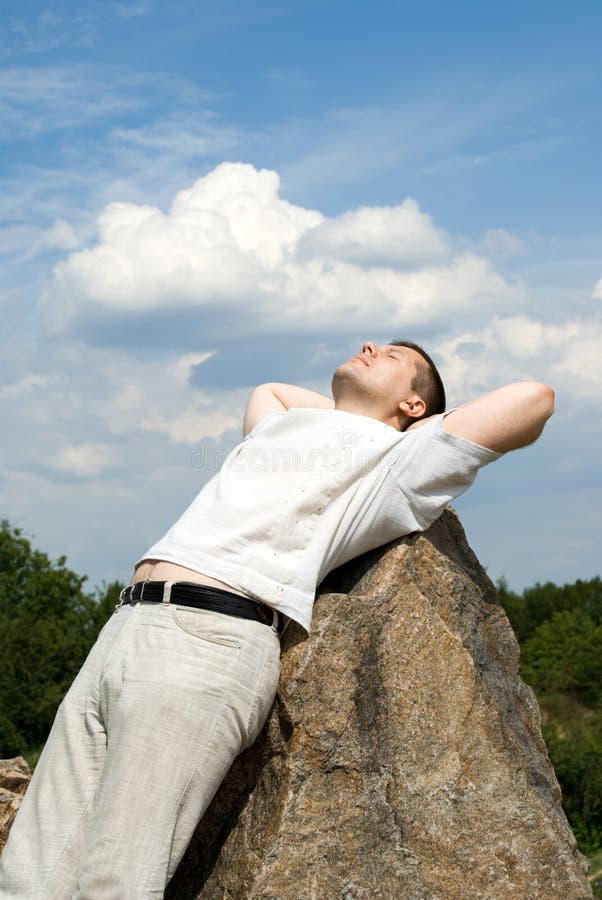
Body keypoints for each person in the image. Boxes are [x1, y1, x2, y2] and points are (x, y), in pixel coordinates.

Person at [0, 339, 554, 898]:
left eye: (390, 355)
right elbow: (267, 390)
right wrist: (353, 409)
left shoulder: (396, 466)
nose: (368, 346)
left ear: (414, 406)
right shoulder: (282, 433)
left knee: (117, 878)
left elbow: (534, 399)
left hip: (209, 637)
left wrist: (421, 431)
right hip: (125, 626)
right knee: (26, 876)